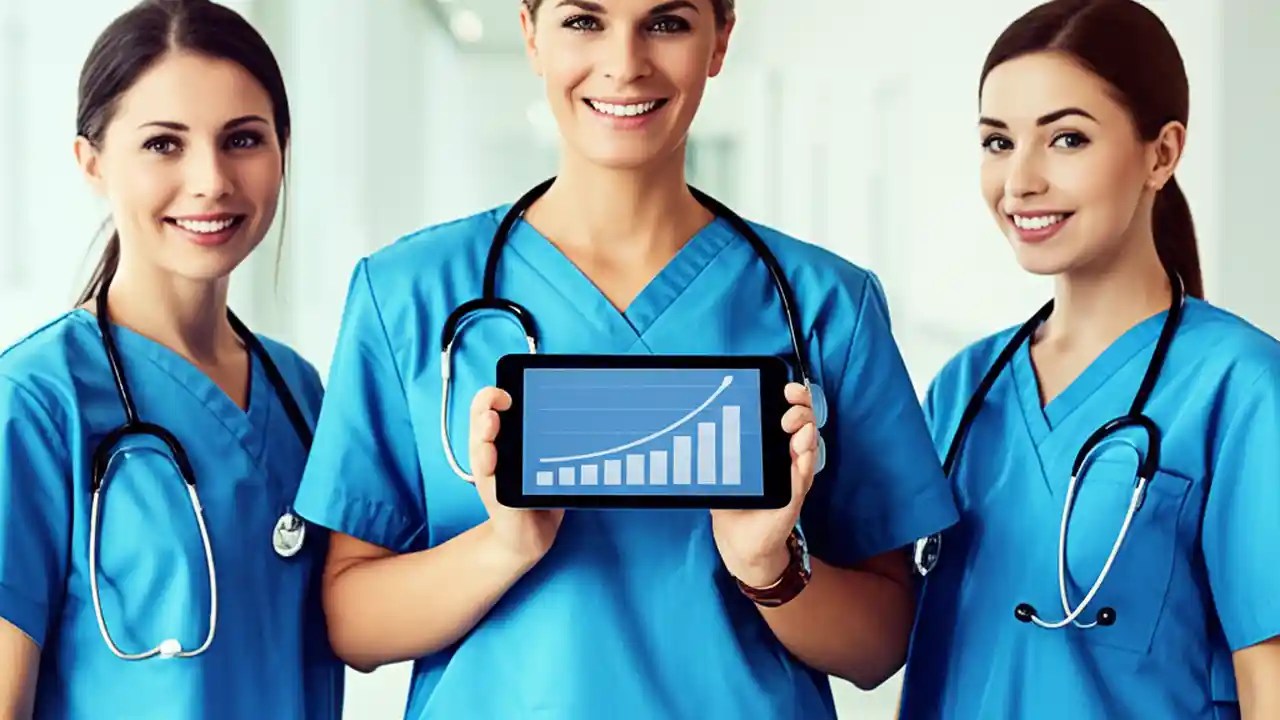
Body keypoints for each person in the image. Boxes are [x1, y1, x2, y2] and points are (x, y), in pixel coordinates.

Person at [292, 0, 958, 717]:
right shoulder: (408, 294)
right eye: (584, 20)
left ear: (720, 38)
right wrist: (503, 547)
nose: (624, 62)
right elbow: (352, 622)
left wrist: (769, 569)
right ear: (530, 34)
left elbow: (883, 641)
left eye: (666, 22)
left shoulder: (828, 304)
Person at [899, 1, 1280, 718]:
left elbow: (1272, 682)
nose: (1021, 182)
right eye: (997, 142)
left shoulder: (1243, 387)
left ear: (1161, 154)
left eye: (1066, 139)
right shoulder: (964, 388)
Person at [0, 1, 344, 718]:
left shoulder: (300, 395)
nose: (211, 180)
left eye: (243, 140)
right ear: (91, 164)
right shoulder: (35, 403)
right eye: (164, 144)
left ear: (284, 151)